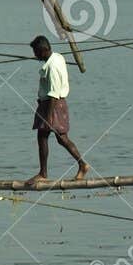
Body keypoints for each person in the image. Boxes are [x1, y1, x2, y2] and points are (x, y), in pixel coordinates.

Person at [29, 35, 90, 182]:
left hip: (52, 105)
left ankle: (44, 174)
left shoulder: (52, 66)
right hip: (52, 104)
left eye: (36, 53)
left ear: (43, 50)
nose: (35, 56)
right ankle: (82, 164)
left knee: (44, 137)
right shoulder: (57, 57)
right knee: (61, 139)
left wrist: (49, 118)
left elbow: (54, 93)